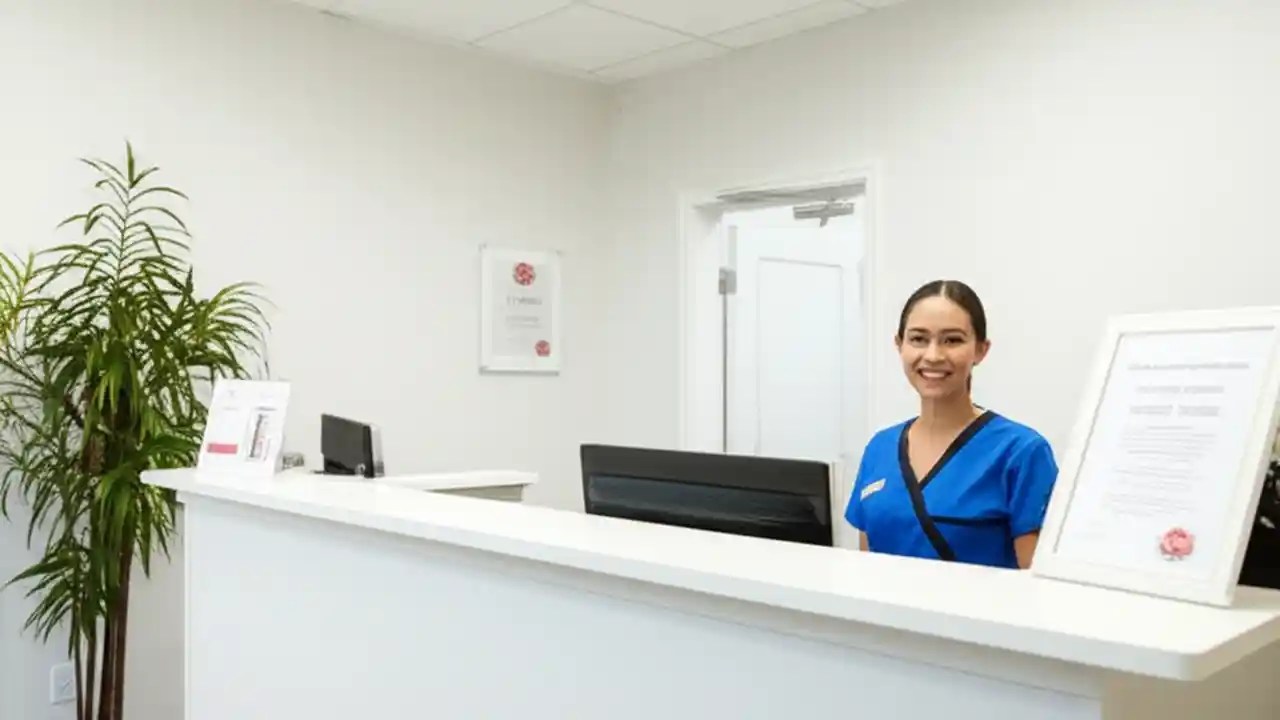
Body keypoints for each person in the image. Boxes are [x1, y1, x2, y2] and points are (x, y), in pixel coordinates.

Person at [845, 280, 1058, 569]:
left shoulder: (1021, 453)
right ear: (899, 345)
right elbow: (865, 570)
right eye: (918, 339)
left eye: (952, 340)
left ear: (981, 350)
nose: (933, 355)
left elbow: (1040, 588)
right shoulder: (880, 448)